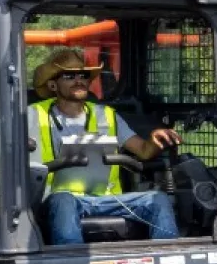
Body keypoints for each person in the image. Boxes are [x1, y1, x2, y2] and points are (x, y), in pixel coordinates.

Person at [25, 49, 184, 245]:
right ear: (52, 84)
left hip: (108, 200)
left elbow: (143, 151)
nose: (78, 80)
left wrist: (154, 141)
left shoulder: (107, 115)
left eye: (83, 75)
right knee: (63, 201)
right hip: (57, 200)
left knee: (158, 200)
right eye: (69, 75)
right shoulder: (31, 115)